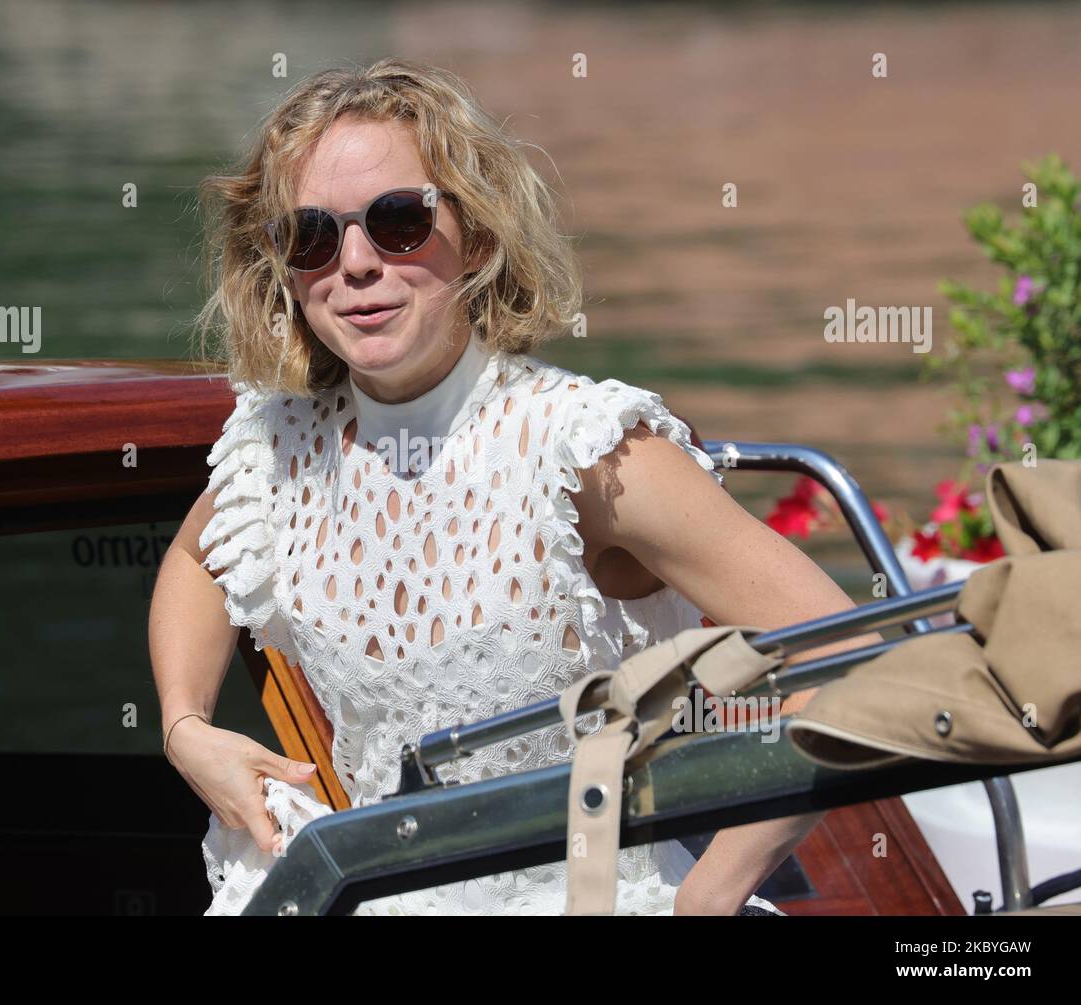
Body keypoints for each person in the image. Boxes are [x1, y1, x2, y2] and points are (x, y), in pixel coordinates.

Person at [148, 57, 878, 915]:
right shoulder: (276, 446)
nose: (354, 263)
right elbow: (196, 565)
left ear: (481, 237)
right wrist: (185, 729)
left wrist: (707, 895)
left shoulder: (582, 450)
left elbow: (845, 656)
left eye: (398, 221)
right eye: (311, 235)